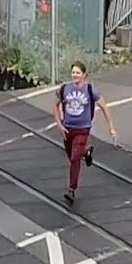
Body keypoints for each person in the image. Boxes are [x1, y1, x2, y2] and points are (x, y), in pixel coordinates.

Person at [53, 62, 118, 205]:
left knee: (75, 158)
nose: (75, 75)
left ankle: (72, 189)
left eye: (77, 73)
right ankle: (87, 152)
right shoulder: (65, 89)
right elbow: (56, 105)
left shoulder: (90, 90)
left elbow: (104, 107)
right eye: (73, 72)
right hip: (67, 128)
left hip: (83, 129)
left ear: (84, 75)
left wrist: (111, 128)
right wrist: (59, 124)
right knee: (72, 156)